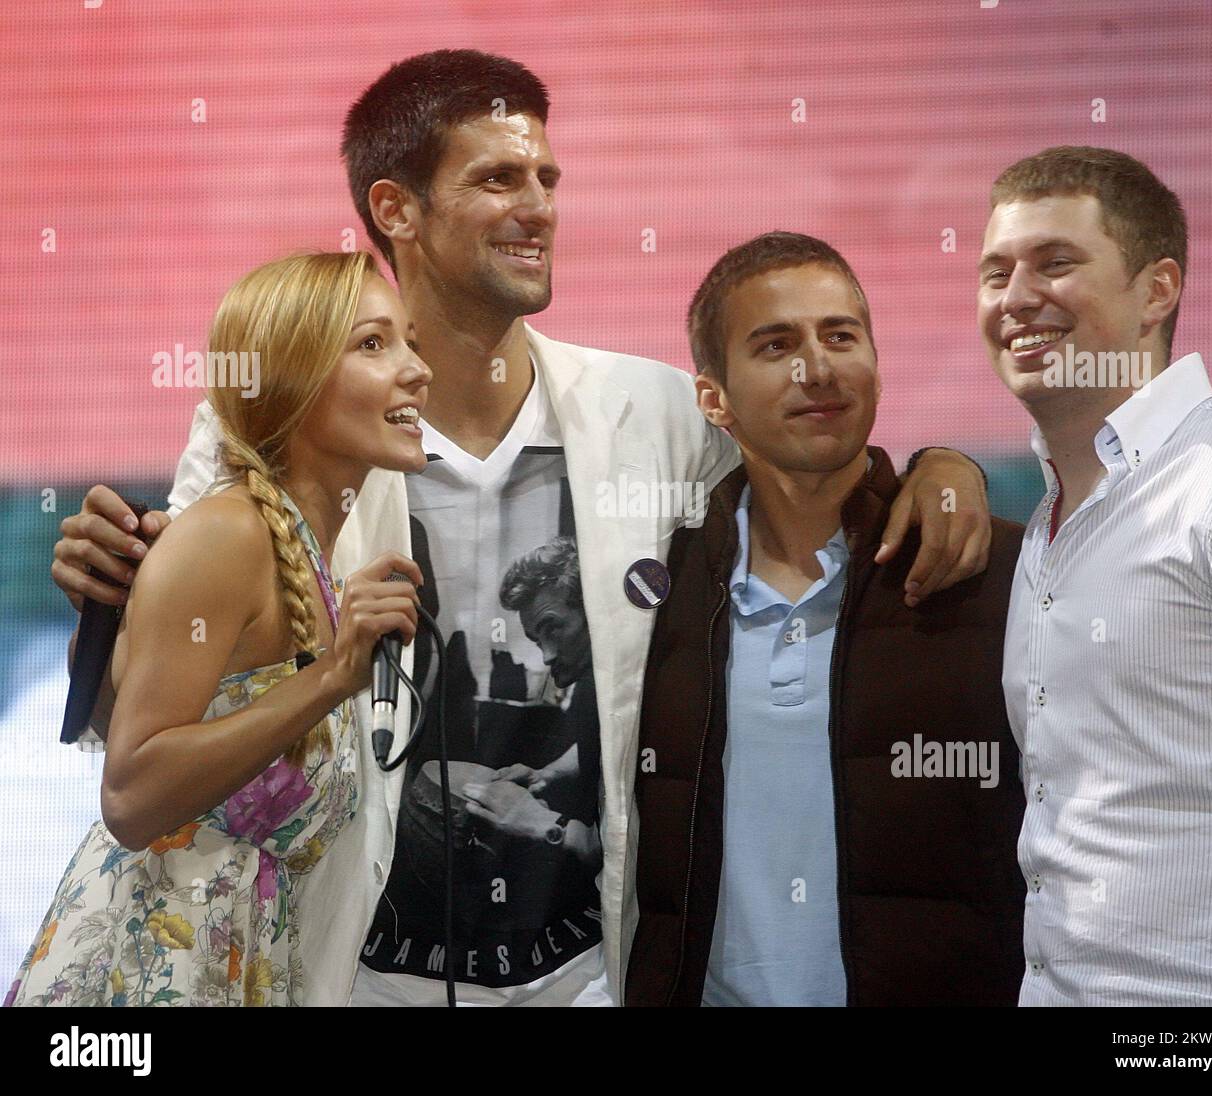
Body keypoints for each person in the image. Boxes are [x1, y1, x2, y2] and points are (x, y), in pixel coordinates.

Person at [48, 51, 993, 1006]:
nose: (538, 206)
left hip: (591, 973)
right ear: (396, 210)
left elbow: (816, 472)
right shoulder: (276, 425)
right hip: (354, 967)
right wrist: (110, 601)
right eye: (498, 178)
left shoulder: (655, 413)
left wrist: (941, 468)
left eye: (546, 177)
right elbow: (147, 728)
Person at [7, 251, 428, 1006]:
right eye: (374, 344)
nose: (416, 370)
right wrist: (331, 678)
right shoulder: (229, 534)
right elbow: (132, 796)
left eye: (410, 343)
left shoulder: (306, 553)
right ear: (293, 379)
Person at [625, 232, 1026, 1006]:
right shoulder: (656, 591)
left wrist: (948, 462)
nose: (818, 368)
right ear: (714, 399)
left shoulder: (987, 570)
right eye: (776, 346)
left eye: (841, 336)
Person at [980, 146, 1212, 1005]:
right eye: (995, 272)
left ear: (1156, 291)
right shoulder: (1047, 522)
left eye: (1056, 264)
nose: (1014, 299)